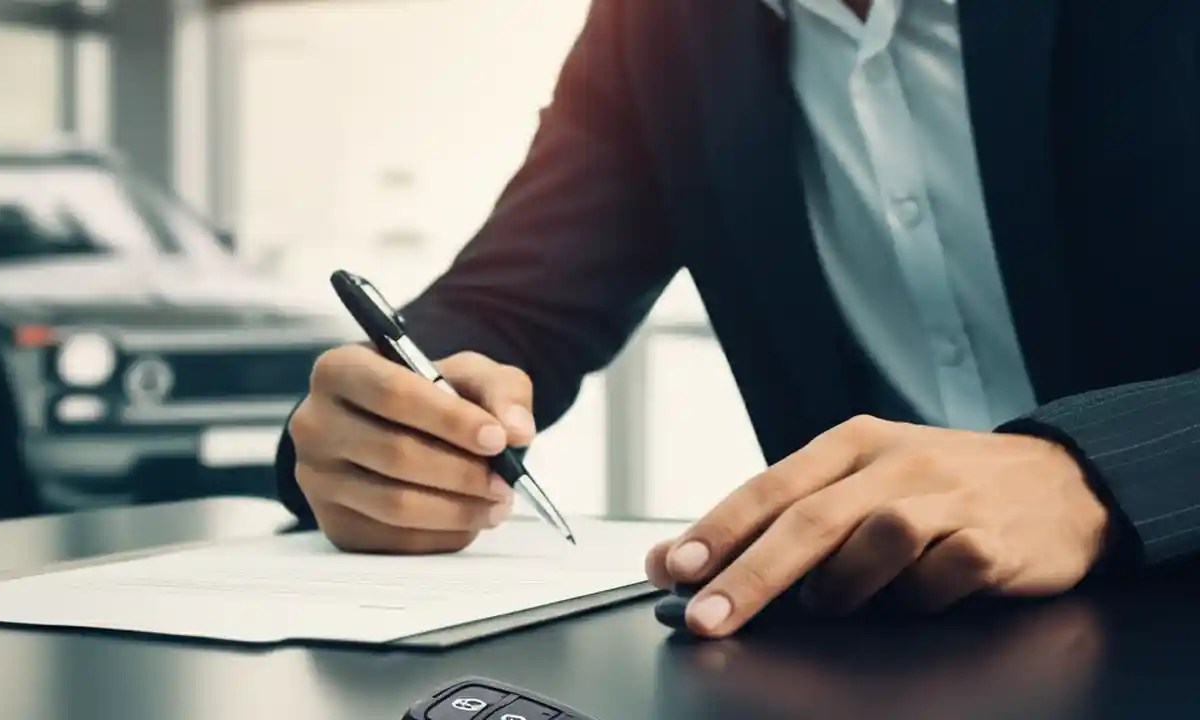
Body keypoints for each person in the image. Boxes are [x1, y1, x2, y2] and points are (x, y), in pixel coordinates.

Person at [276, 0, 1200, 638]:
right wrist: (374, 432)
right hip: (868, 660)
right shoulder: (664, 29)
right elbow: (506, 307)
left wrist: (1092, 472)